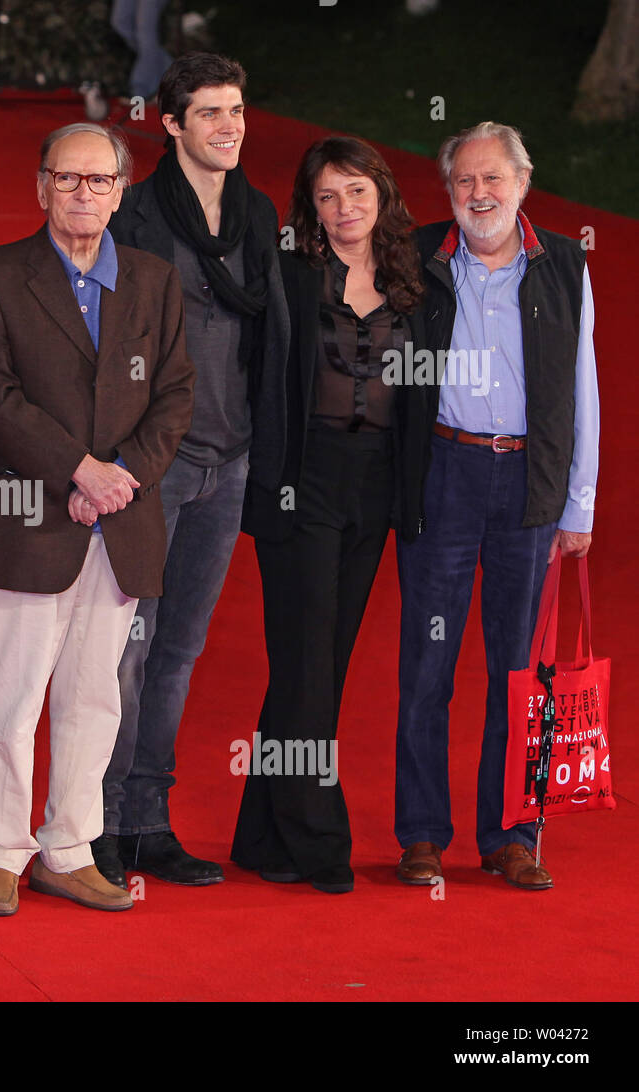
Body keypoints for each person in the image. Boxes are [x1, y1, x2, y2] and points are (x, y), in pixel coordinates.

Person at [0, 122, 194, 916]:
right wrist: (79, 471)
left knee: (97, 698)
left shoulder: (156, 282)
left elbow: (175, 395)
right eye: (67, 179)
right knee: (12, 695)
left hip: (121, 520)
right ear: (40, 187)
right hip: (32, 515)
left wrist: (123, 478)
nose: (82, 194)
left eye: (98, 181)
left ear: (121, 190)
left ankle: (68, 847)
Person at [98, 52, 289, 888]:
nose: (229, 127)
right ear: (170, 124)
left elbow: (273, 339)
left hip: (231, 459)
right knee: (123, 648)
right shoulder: (136, 216)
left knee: (178, 650)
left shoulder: (256, 214)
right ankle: (97, 822)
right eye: (209, 112)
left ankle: (149, 821)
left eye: (238, 111)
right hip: (154, 462)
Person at [394, 122, 598, 892]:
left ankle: (510, 834)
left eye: (492, 180)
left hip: (527, 486)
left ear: (522, 183)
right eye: (463, 183)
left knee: (519, 671)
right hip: (443, 472)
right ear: (448, 192)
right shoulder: (418, 257)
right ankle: (420, 834)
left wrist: (578, 501)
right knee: (426, 665)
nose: (478, 195)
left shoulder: (563, 265)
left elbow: (584, 388)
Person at [231, 136, 428, 894]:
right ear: (309, 209)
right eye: (326, 196)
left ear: (381, 194)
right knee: (307, 662)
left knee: (320, 666)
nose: (343, 210)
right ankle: (316, 837)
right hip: (300, 481)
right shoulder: (288, 274)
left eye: (356, 192)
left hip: (374, 488)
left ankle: (262, 832)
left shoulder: (415, 282)